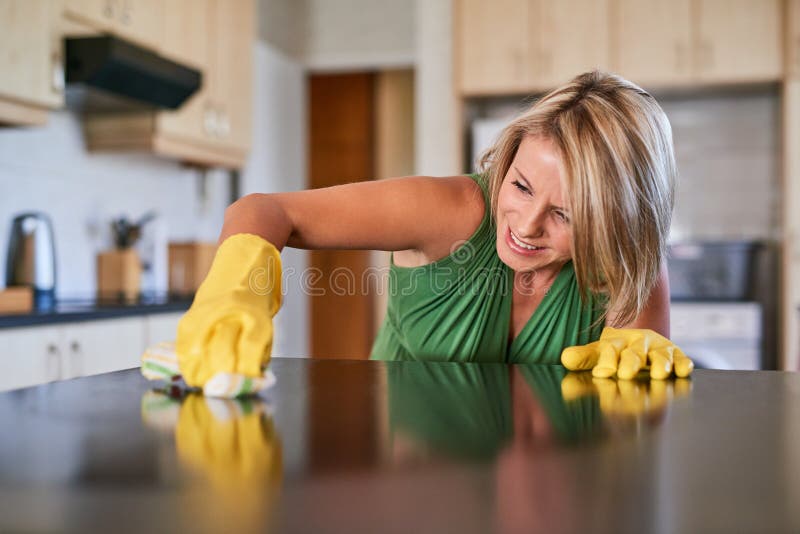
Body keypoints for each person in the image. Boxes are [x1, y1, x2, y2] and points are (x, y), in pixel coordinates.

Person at [164, 70, 694, 394]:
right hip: (411, 491)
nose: (525, 227)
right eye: (522, 187)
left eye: (567, 215)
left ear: (618, 225)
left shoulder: (628, 267)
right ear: (506, 161)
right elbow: (268, 209)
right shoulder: (452, 212)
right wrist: (233, 292)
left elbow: (629, 430)